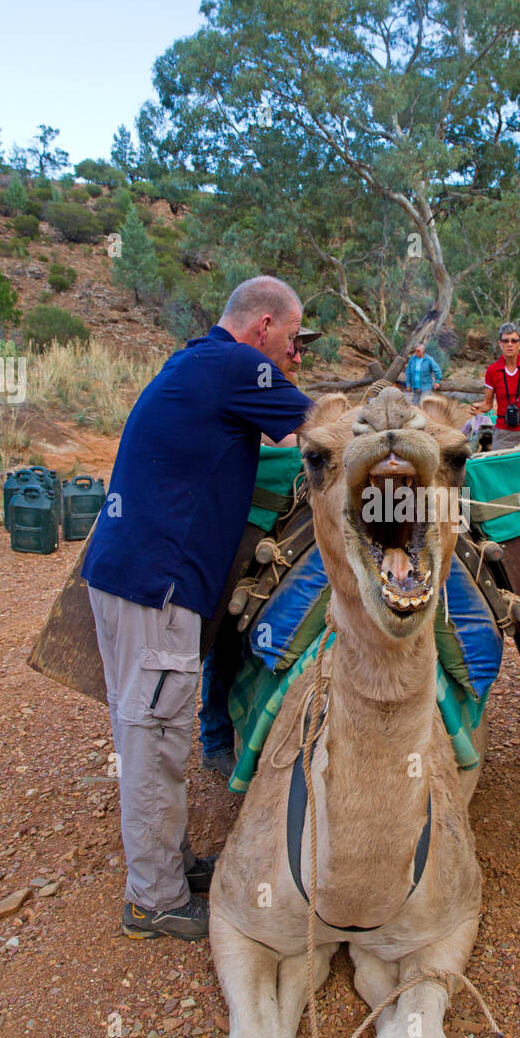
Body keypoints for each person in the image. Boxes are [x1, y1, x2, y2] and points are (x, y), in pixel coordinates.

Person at [83, 277, 312, 940]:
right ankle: (153, 900)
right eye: (293, 341)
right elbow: (311, 424)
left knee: (154, 729)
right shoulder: (240, 364)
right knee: (153, 735)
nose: (294, 355)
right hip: (157, 586)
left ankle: (172, 864)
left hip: (129, 575)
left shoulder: (196, 359)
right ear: (263, 326)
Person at [199, 323, 321, 777]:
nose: (298, 356)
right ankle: (215, 737)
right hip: (239, 535)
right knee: (226, 634)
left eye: (302, 349)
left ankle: (256, 729)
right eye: (294, 346)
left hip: (282, 536)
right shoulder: (249, 384)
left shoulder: (282, 389)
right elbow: (288, 448)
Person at [469, 323, 520, 450]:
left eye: (514, 341)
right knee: (499, 467)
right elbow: (487, 404)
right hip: (503, 433)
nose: (510, 344)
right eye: (506, 341)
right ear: (500, 343)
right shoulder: (492, 371)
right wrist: (477, 407)